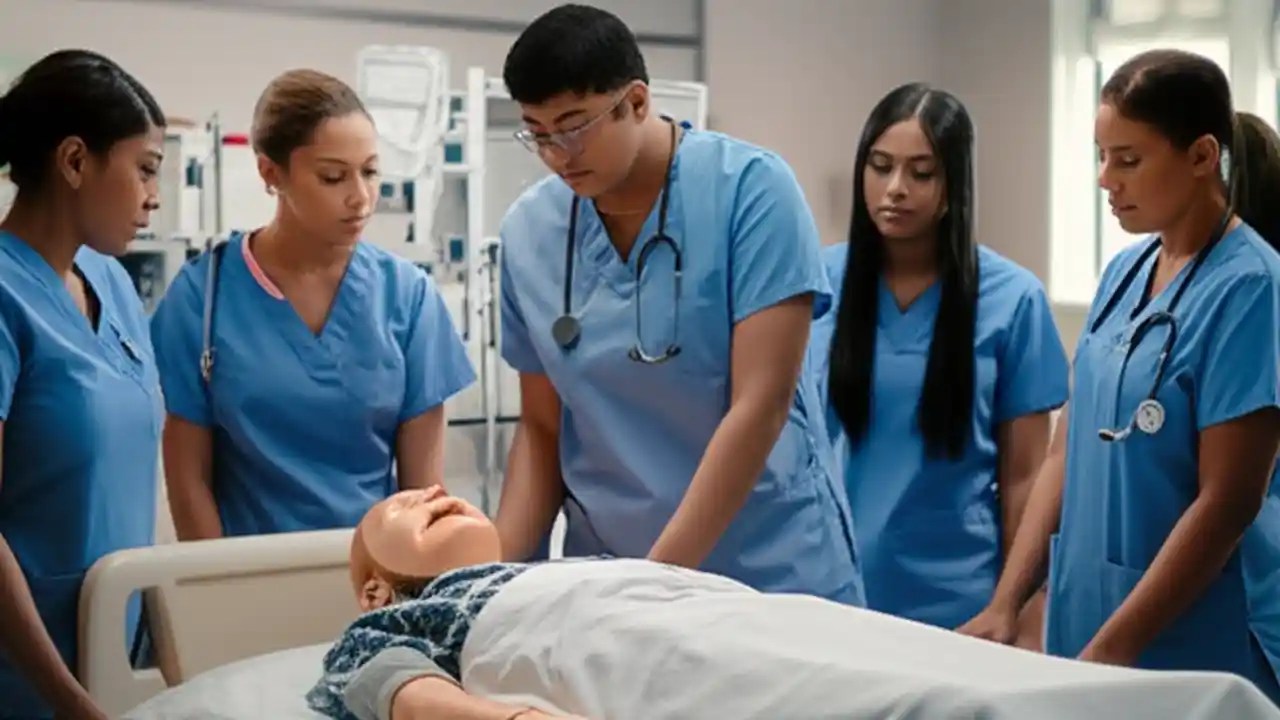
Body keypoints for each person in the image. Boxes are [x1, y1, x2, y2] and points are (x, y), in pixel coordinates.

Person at [301, 487, 1280, 720]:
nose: (431, 490)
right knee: (859, 695)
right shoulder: (400, 619)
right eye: (401, 505)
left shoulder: (552, 564)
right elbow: (374, 681)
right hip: (651, 650)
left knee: (891, 653)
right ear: (378, 587)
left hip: (724, 609)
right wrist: (492, 717)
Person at [491, 3, 862, 603]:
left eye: (575, 125)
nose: (558, 154)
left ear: (637, 101)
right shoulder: (530, 232)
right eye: (538, 133)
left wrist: (654, 587)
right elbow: (541, 428)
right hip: (610, 575)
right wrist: (487, 579)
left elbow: (760, 406)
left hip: (767, 570)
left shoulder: (752, 192)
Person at [958, 49, 1280, 702]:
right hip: (1088, 624)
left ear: (1200, 157)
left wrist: (1116, 646)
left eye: (1128, 160)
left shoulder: (1251, 288)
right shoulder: (1124, 273)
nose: (1107, 179)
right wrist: (1008, 602)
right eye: (1101, 157)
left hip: (1191, 644)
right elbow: (1065, 451)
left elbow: (1228, 502)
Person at [149, 69, 475, 540]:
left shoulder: (407, 296)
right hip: (243, 577)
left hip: (375, 577)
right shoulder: (203, 298)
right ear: (270, 173)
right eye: (332, 176)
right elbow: (188, 483)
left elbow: (422, 494)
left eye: (370, 171)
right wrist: (214, 599)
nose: (360, 197)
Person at [808, 83, 1069, 637]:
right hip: (827, 595)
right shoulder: (816, 284)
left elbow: (1024, 478)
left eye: (921, 173)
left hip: (956, 606)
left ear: (954, 184)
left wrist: (1021, 610)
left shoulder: (1012, 299)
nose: (895, 189)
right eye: (880, 167)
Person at [0, 50, 166, 719]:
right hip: (26, 682)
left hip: (118, 657)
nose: (155, 194)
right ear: (74, 161)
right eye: (145, 169)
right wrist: (69, 703)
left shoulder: (114, 284)